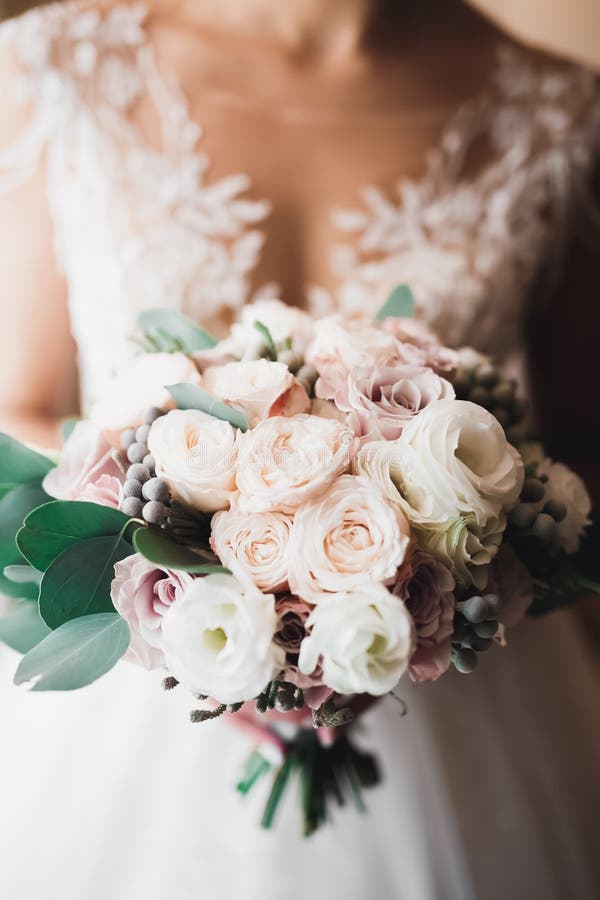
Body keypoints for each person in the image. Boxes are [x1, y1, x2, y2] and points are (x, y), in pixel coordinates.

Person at [0, 2, 599, 898]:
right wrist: (192, 597)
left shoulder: (557, 111)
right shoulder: (53, 69)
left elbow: (581, 453)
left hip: (458, 700)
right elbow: (20, 407)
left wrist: (418, 584)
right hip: (134, 698)